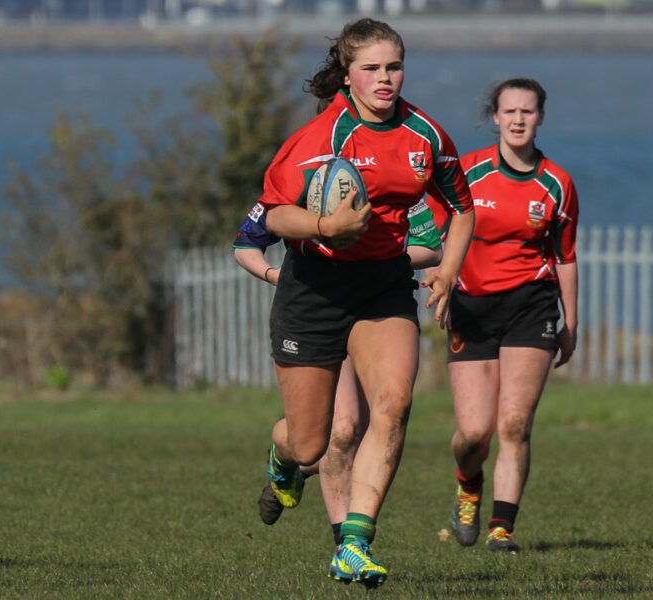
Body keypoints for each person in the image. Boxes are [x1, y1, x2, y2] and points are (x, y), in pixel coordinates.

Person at [255, 18, 474, 586]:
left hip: (382, 285)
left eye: (393, 67)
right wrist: (327, 224)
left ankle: (354, 544)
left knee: (394, 401)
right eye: (371, 68)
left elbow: (461, 206)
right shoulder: (323, 137)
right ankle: (283, 460)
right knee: (311, 443)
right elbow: (276, 213)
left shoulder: (426, 135)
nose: (385, 78)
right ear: (347, 74)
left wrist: (448, 271)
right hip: (316, 289)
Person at [232, 198, 444, 549]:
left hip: (376, 310)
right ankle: (286, 460)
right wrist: (275, 274)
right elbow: (245, 245)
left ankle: (349, 547)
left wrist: (380, 256)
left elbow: (431, 247)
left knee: (373, 421)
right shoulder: (306, 176)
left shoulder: (393, 183)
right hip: (317, 312)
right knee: (338, 432)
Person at [426, 78, 579, 553]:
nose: (517, 120)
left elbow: (565, 257)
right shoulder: (466, 173)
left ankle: (501, 530)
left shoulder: (557, 183)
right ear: (494, 116)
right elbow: (433, 235)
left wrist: (570, 323)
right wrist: (441, 285)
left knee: (514, 423)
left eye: (527, 112)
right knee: (474, 433)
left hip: (531, 305)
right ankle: (467, 485)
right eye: (509, 111)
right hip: (470, 306)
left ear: (540, 119)